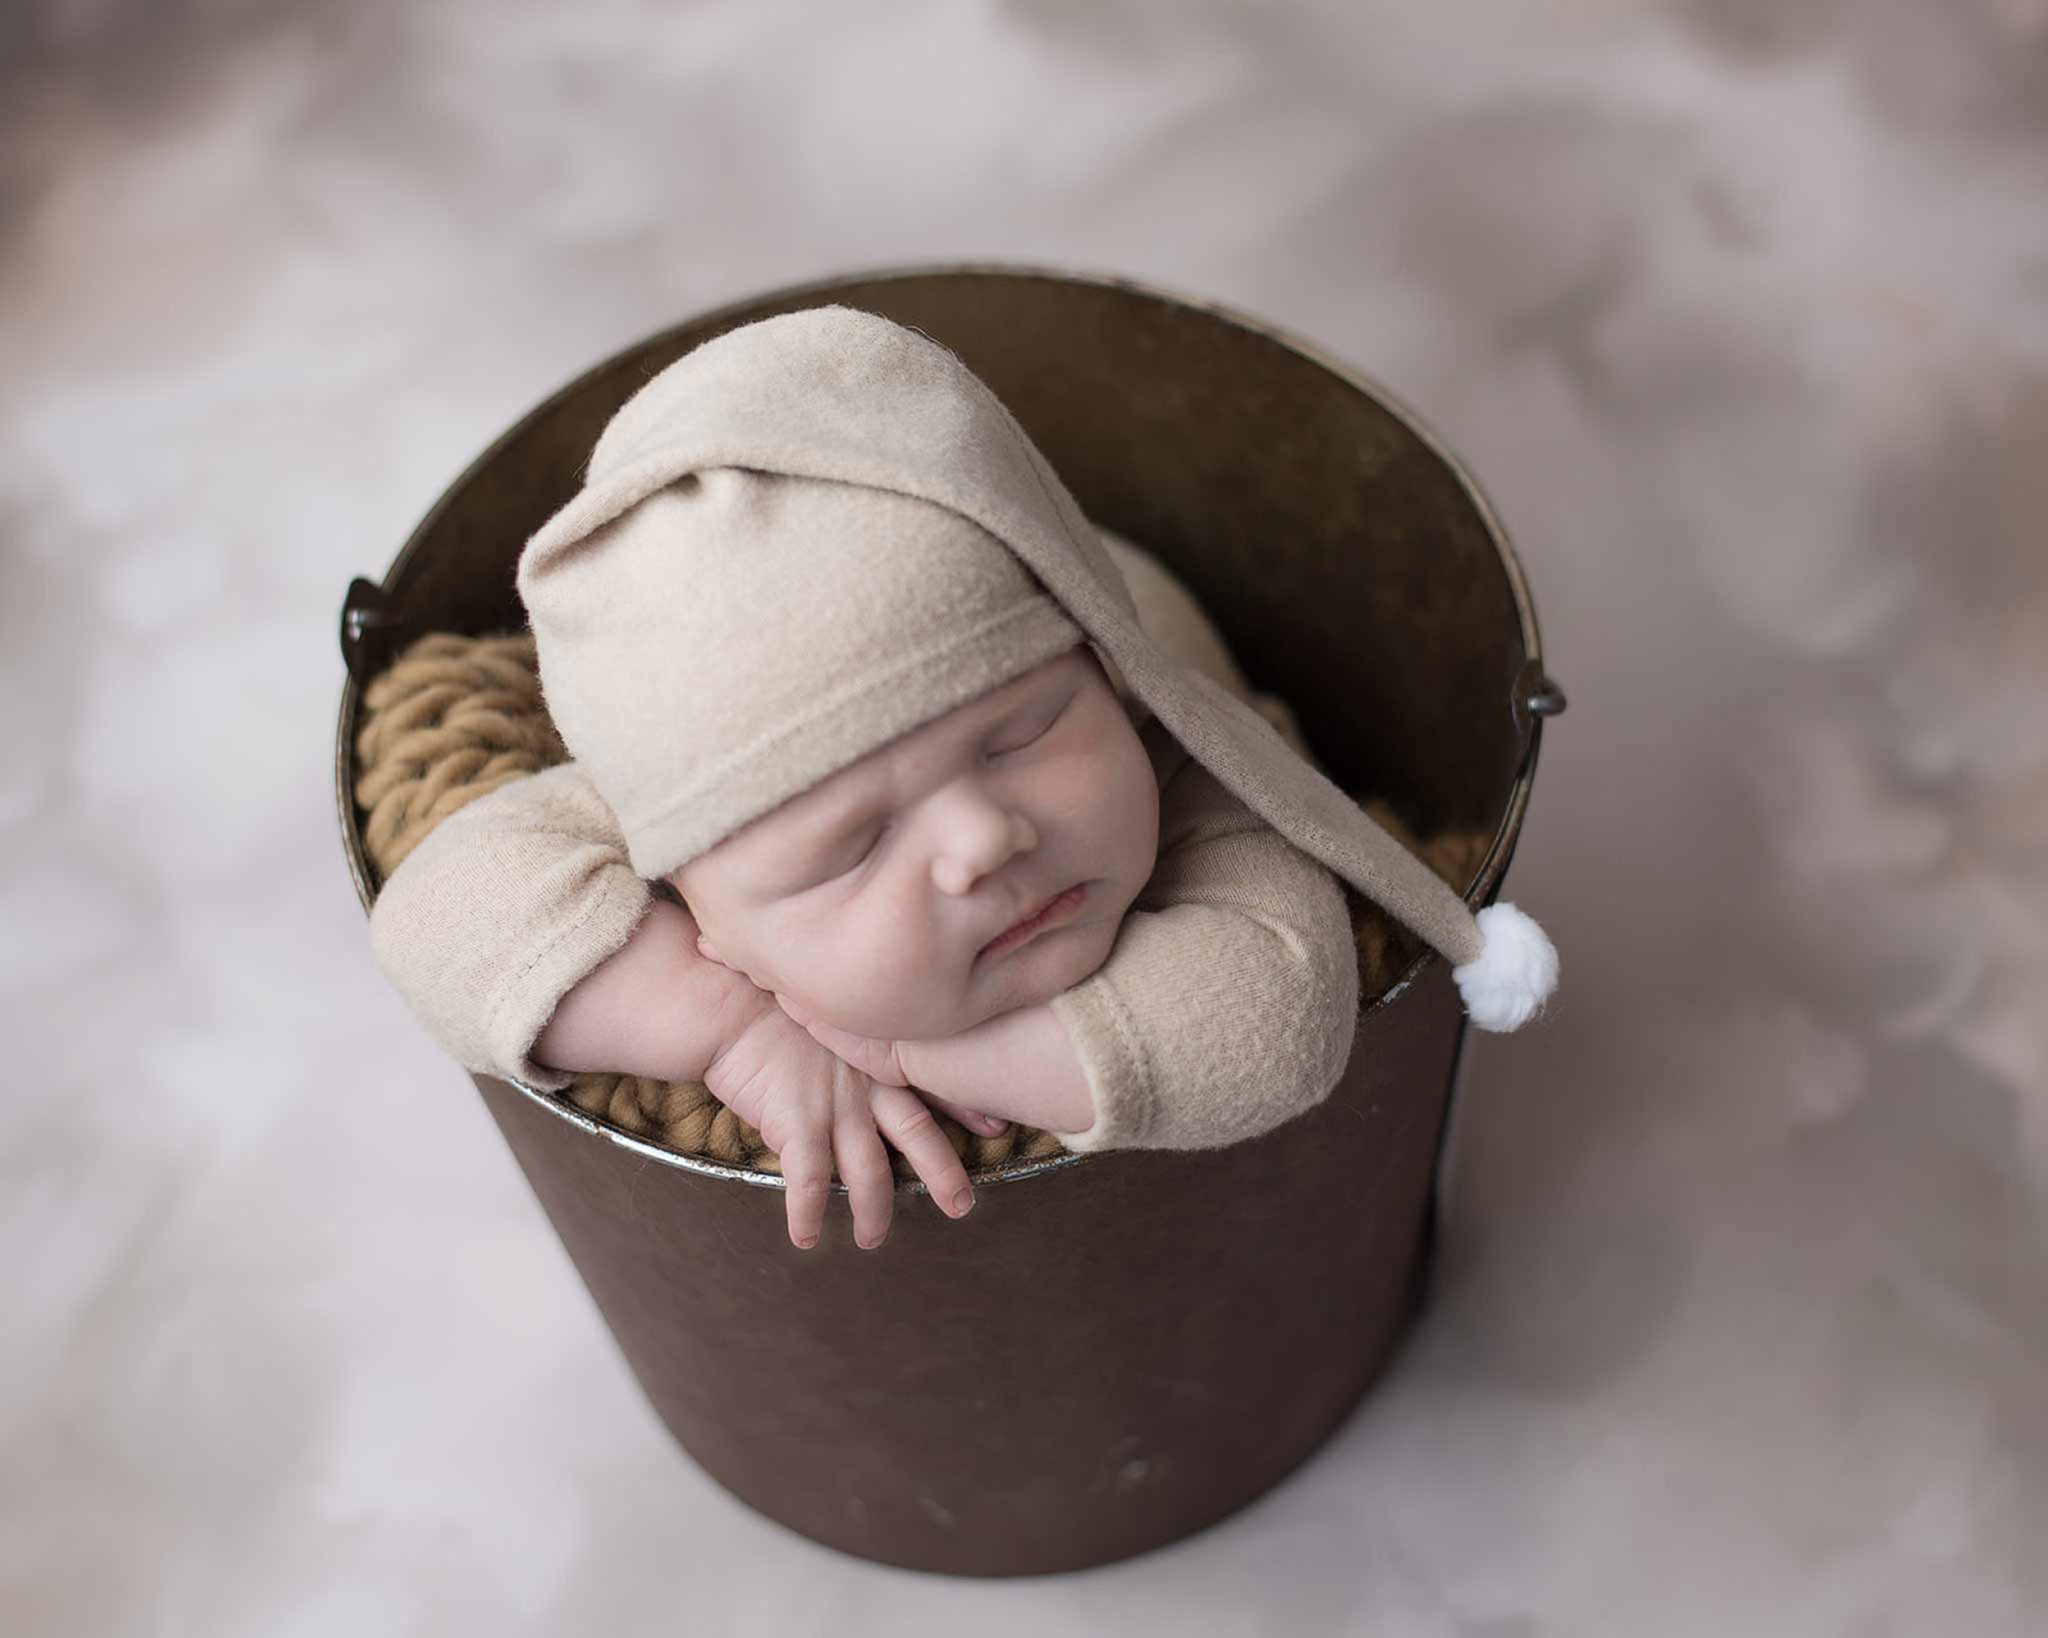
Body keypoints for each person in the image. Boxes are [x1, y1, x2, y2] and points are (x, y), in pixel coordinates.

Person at [369, 305, 1558, 1252]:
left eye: (1023, 733)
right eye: (851, 846)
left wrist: (906, 1054)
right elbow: (436, 917)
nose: (983, 839)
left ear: (1101, 676)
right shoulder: (679, 780)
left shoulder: (1175, 762)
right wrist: (731, 1029)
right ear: (685, 892)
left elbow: (1271, 1019)